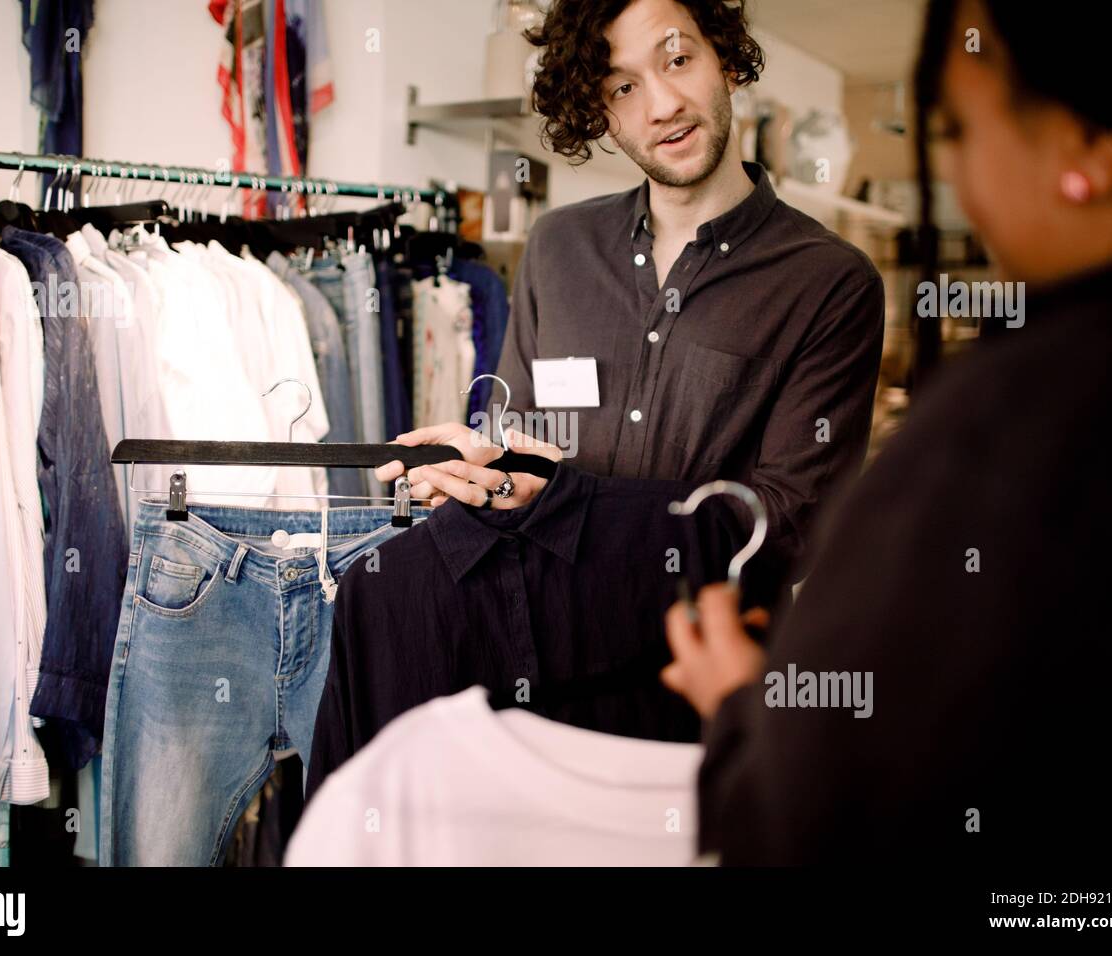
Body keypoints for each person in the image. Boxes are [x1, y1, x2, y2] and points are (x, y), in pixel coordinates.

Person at [662, 0, 1112, 863]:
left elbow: (838, 795)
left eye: (961, 130)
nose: (965, 179)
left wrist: (745, 708)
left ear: (1088, 154)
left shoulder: (1015, 422)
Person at [378, 0, 885, 601]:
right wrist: (479, 472)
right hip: (538, 644)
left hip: (701, 671)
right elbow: (516, 441)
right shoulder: (557, 246)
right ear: (599, 111)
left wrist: (572, 504)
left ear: (725, 58)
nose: (662, 105)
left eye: (677, 58)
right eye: (622, 86)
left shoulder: (830, 281)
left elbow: (793, 530)